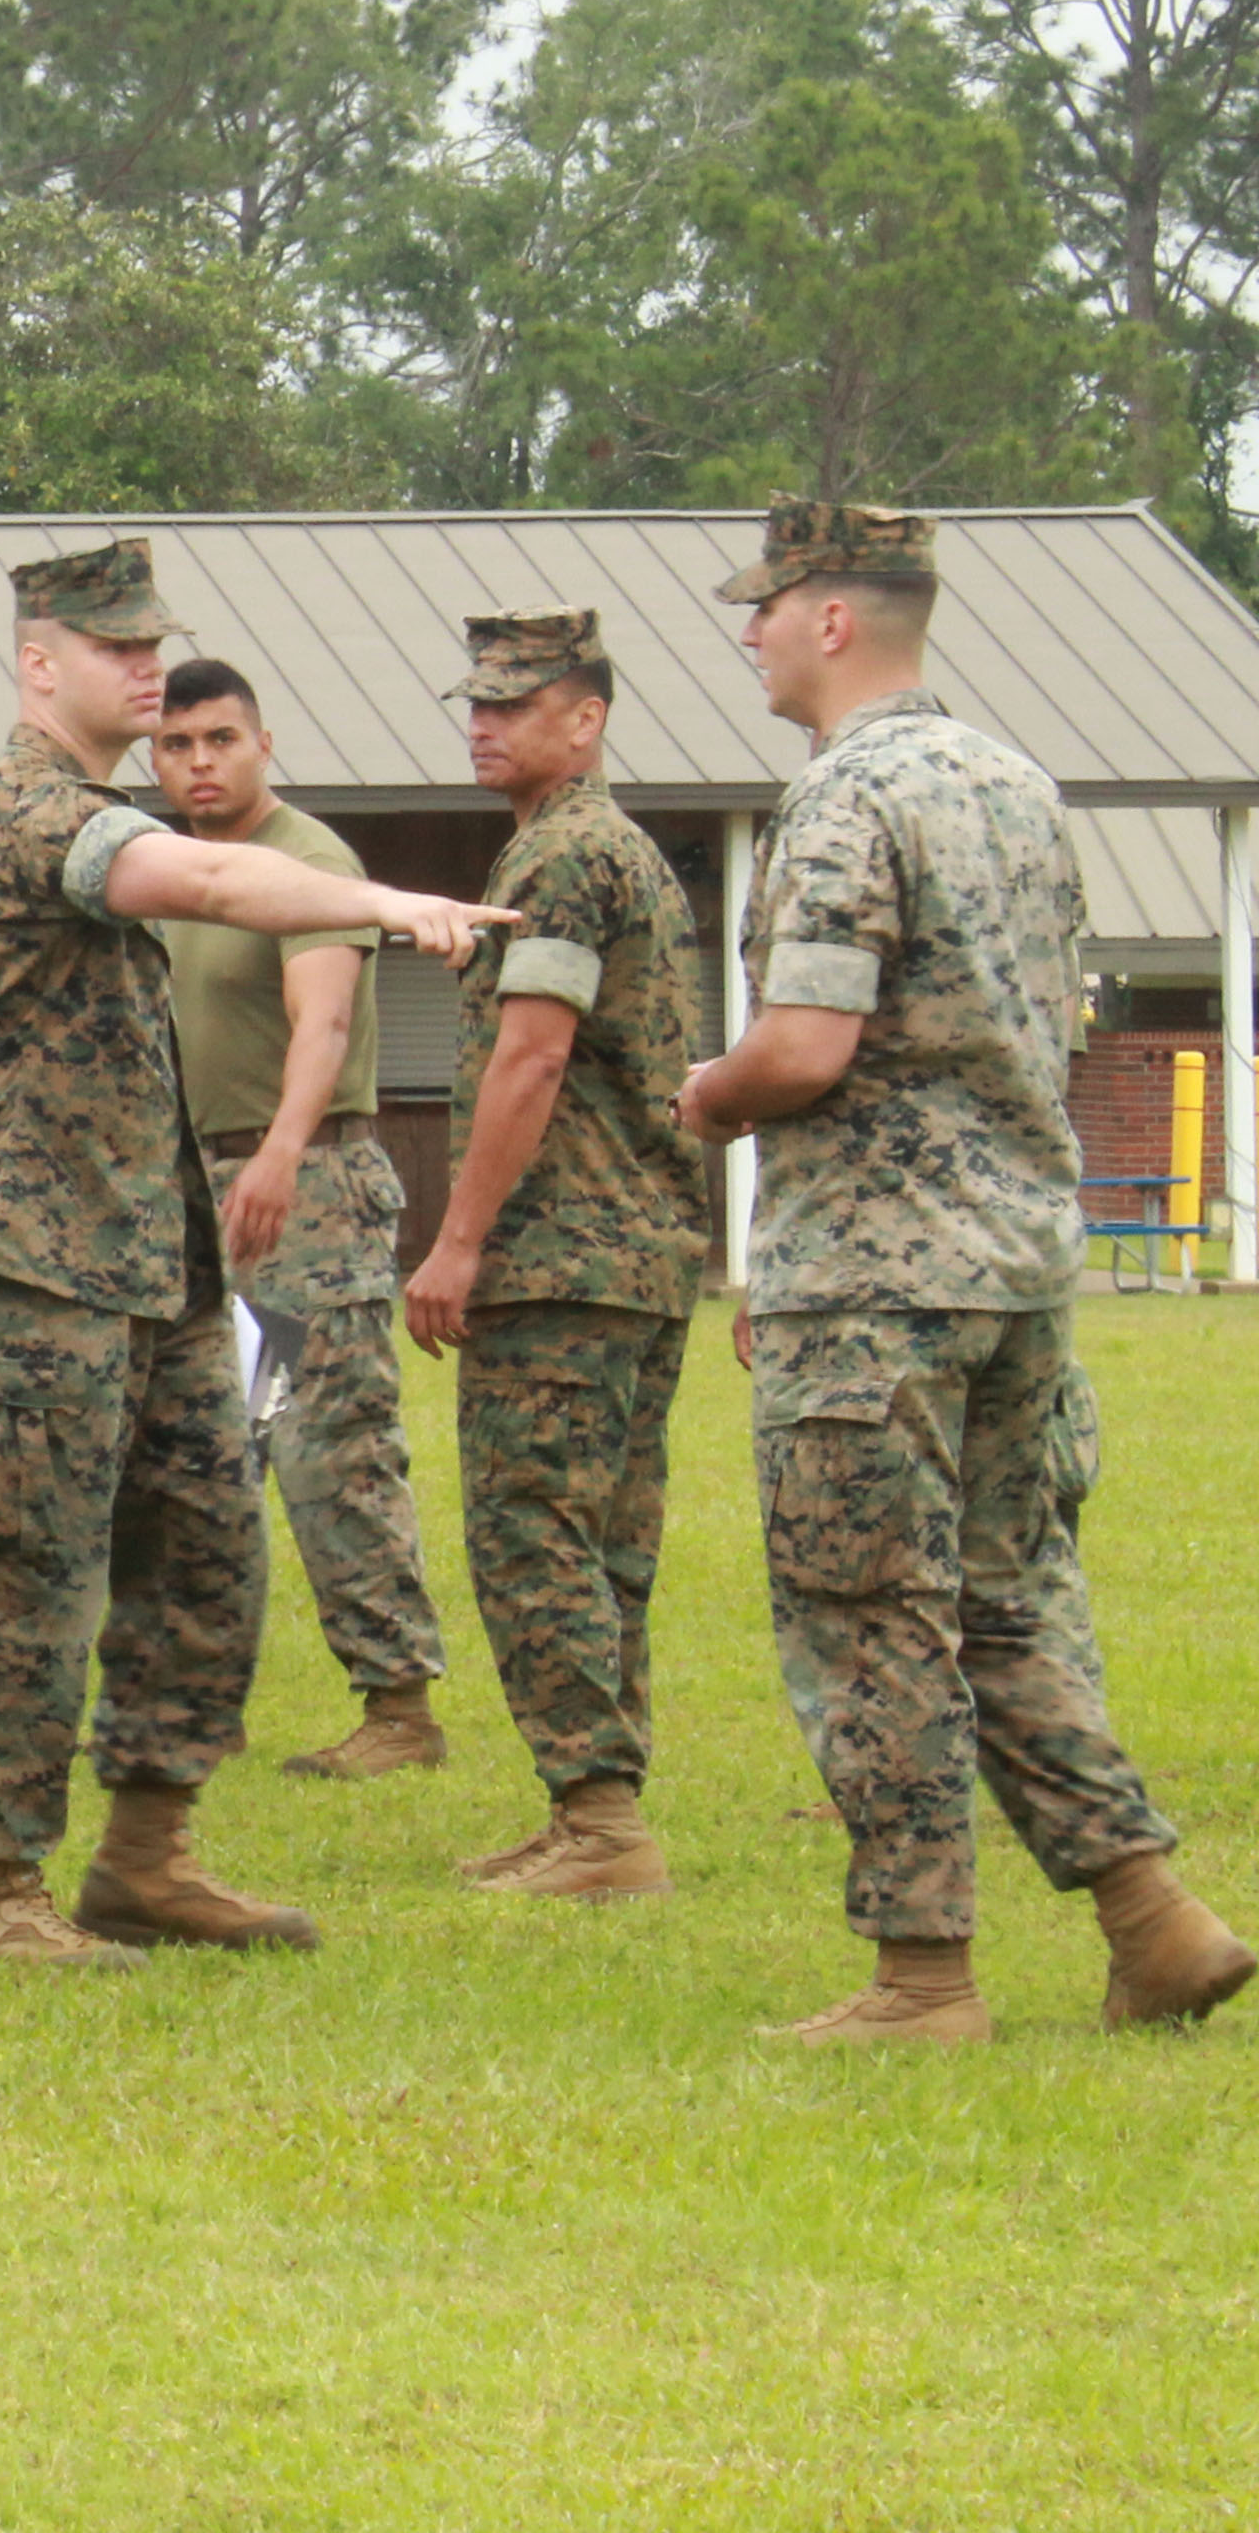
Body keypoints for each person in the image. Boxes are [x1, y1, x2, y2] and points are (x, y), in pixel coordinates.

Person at [676, 497, 1254, 2047]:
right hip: (1017, 1268)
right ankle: (1154, 1920)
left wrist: (709, 1095)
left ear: (834, 618)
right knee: (1007, 1605)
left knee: (869, 1615)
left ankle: (922, 1980)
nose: (749, 635)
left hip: (873, 1282)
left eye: (766, 608)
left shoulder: (846, 799)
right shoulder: (1016, 784)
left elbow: (805, 1045)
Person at [0, 538, 513, 1970]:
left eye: (154, 643)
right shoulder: (21, 812)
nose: (144, 665)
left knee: (209, 1550)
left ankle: (147, 1856)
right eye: (115, 648)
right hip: (28, 1260)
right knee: (39, 1571)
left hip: (151, 1261)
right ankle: (1, 1892)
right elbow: (206, 885)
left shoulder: (99, 805)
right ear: (37, 663)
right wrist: (378, 904)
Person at [400, 610, 710, 1905]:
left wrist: (458, 1242)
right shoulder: (589, 847)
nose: (483, 721)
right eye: (474, 702)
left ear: (584, 720)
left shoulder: (571, 855)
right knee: (605, 1542)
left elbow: (532, 1055)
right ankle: (595, 1813)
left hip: (564, 1259)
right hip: (639, 1254)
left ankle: (598, 1820)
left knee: (534, 1533)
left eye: (514, 704)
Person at [151, 660, 450, 1780]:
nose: (200, 764)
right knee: (195, 1458)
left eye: (220, 740)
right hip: (194, 1187)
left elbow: (320, 1026)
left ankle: (400, 1710)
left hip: (307, 1185)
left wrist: (279, 1154)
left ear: (264, 744)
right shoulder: (175, 874)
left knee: (334, 1452)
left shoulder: (312, 865)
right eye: (177, 746)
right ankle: (197, 1703)